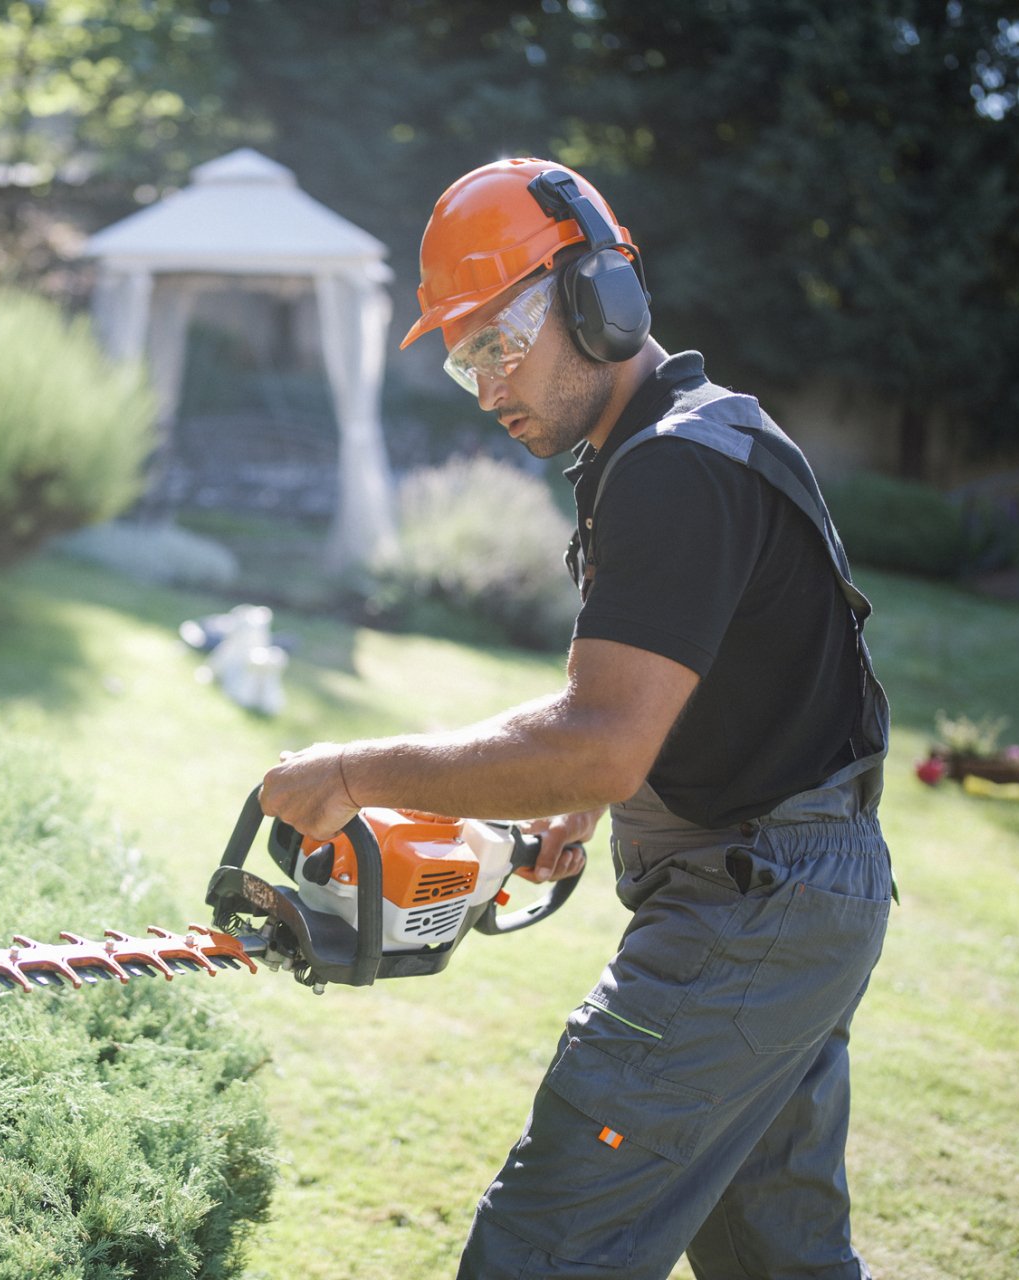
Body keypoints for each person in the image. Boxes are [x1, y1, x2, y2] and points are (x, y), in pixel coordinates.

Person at [257, 158, 894, 1279]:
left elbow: (599, 736)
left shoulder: (674, 469)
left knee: (541, 1245)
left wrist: (360, 770)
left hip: (751, 908)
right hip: (789, 895)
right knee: (775, 1257)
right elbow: (709, 692)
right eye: (464, 361)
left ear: (602, 301)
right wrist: (603, 799)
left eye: (499, 342)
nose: (490, 385)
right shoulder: (679, 443)